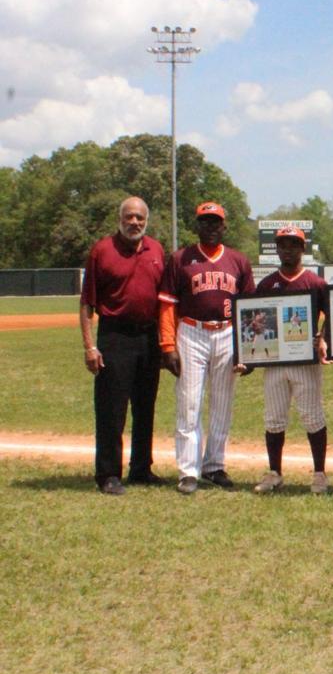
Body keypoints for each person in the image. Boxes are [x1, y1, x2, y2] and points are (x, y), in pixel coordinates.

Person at [158, 201, 255, 494]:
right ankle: (188, 471)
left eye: (216, 222)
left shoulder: (238, 261)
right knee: (189, 403)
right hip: (191, 331)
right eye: (205, 222)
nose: (211, 227)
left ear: (224, 226)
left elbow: (249, 310)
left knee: (222, 404)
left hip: (226, 332)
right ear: (197, 225)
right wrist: (167, 344)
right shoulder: (179, 259)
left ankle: (214, 465)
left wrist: (246, 348)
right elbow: (166, 305)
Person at [79, 196, 166, 494]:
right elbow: (86, 303)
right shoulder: (102, 251)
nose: (134, 222)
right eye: (129, 217)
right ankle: (108, 474)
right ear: (120, 219)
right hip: (114, 337)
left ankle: (141, 469)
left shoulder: (156, 250)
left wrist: (166, 343)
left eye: (140, 218)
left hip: (149, 337)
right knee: (111, 409)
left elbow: (165, 302)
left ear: (146, 220)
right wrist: (90, 346)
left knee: (145, 407)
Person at [243, 226, 331, 495]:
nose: (288, 249)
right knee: (274, 418)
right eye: (283, 245)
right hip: (275, 361)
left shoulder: (315, 283)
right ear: (277, 249)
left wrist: (323, 338)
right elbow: (255, 320)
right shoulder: (267, 284)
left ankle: (319, 473)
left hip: (305, 361)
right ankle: (275, 472)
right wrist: (249, 352)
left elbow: (331, 315)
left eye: (294, 244)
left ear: (303, 249)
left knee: (312, 415)